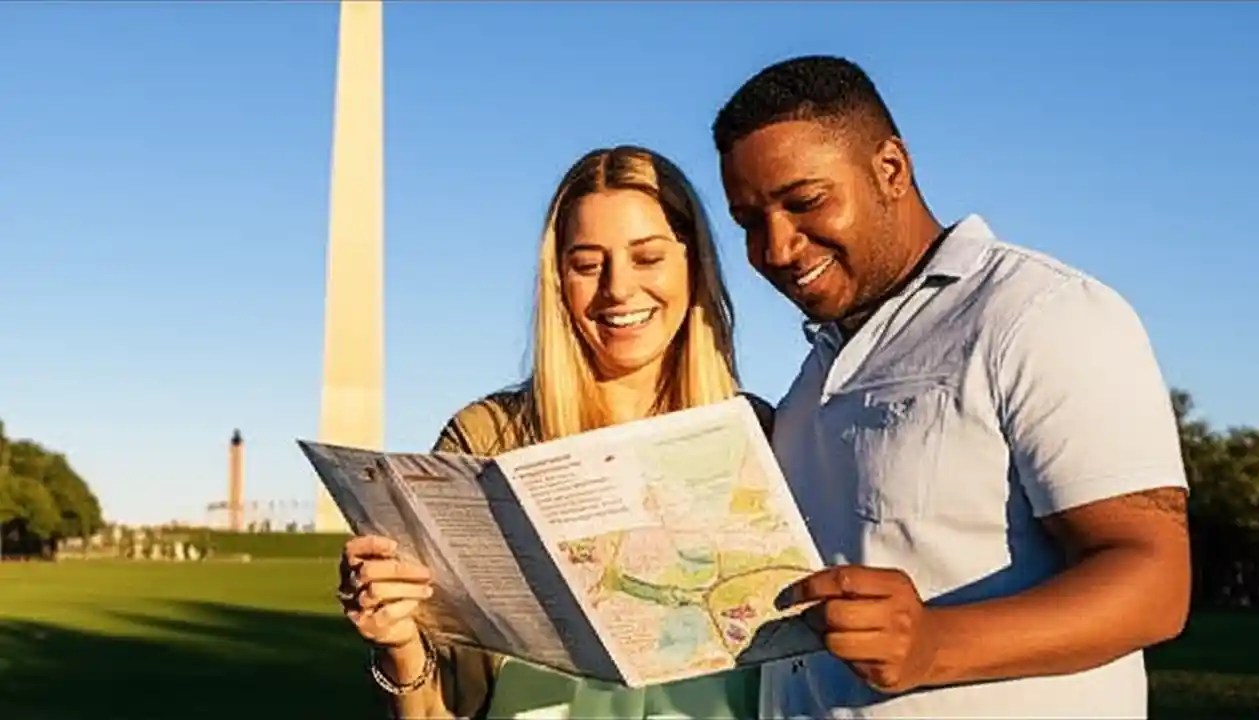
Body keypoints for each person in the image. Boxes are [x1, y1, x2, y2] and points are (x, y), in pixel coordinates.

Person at [710, 55, 1192, 719]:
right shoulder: (814, 372)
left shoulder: (1040, 313)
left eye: (805, 202)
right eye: (748, 222)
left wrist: (935, 644)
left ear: (890, 169)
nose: (778, 247)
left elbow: (1156, 583)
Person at [336, 145, 773, 719]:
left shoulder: (764, 437)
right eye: (588, 264)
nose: (618, 288)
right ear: (558, 279)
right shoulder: (487, 440)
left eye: (647, 258)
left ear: (694, 264)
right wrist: (399, 643)